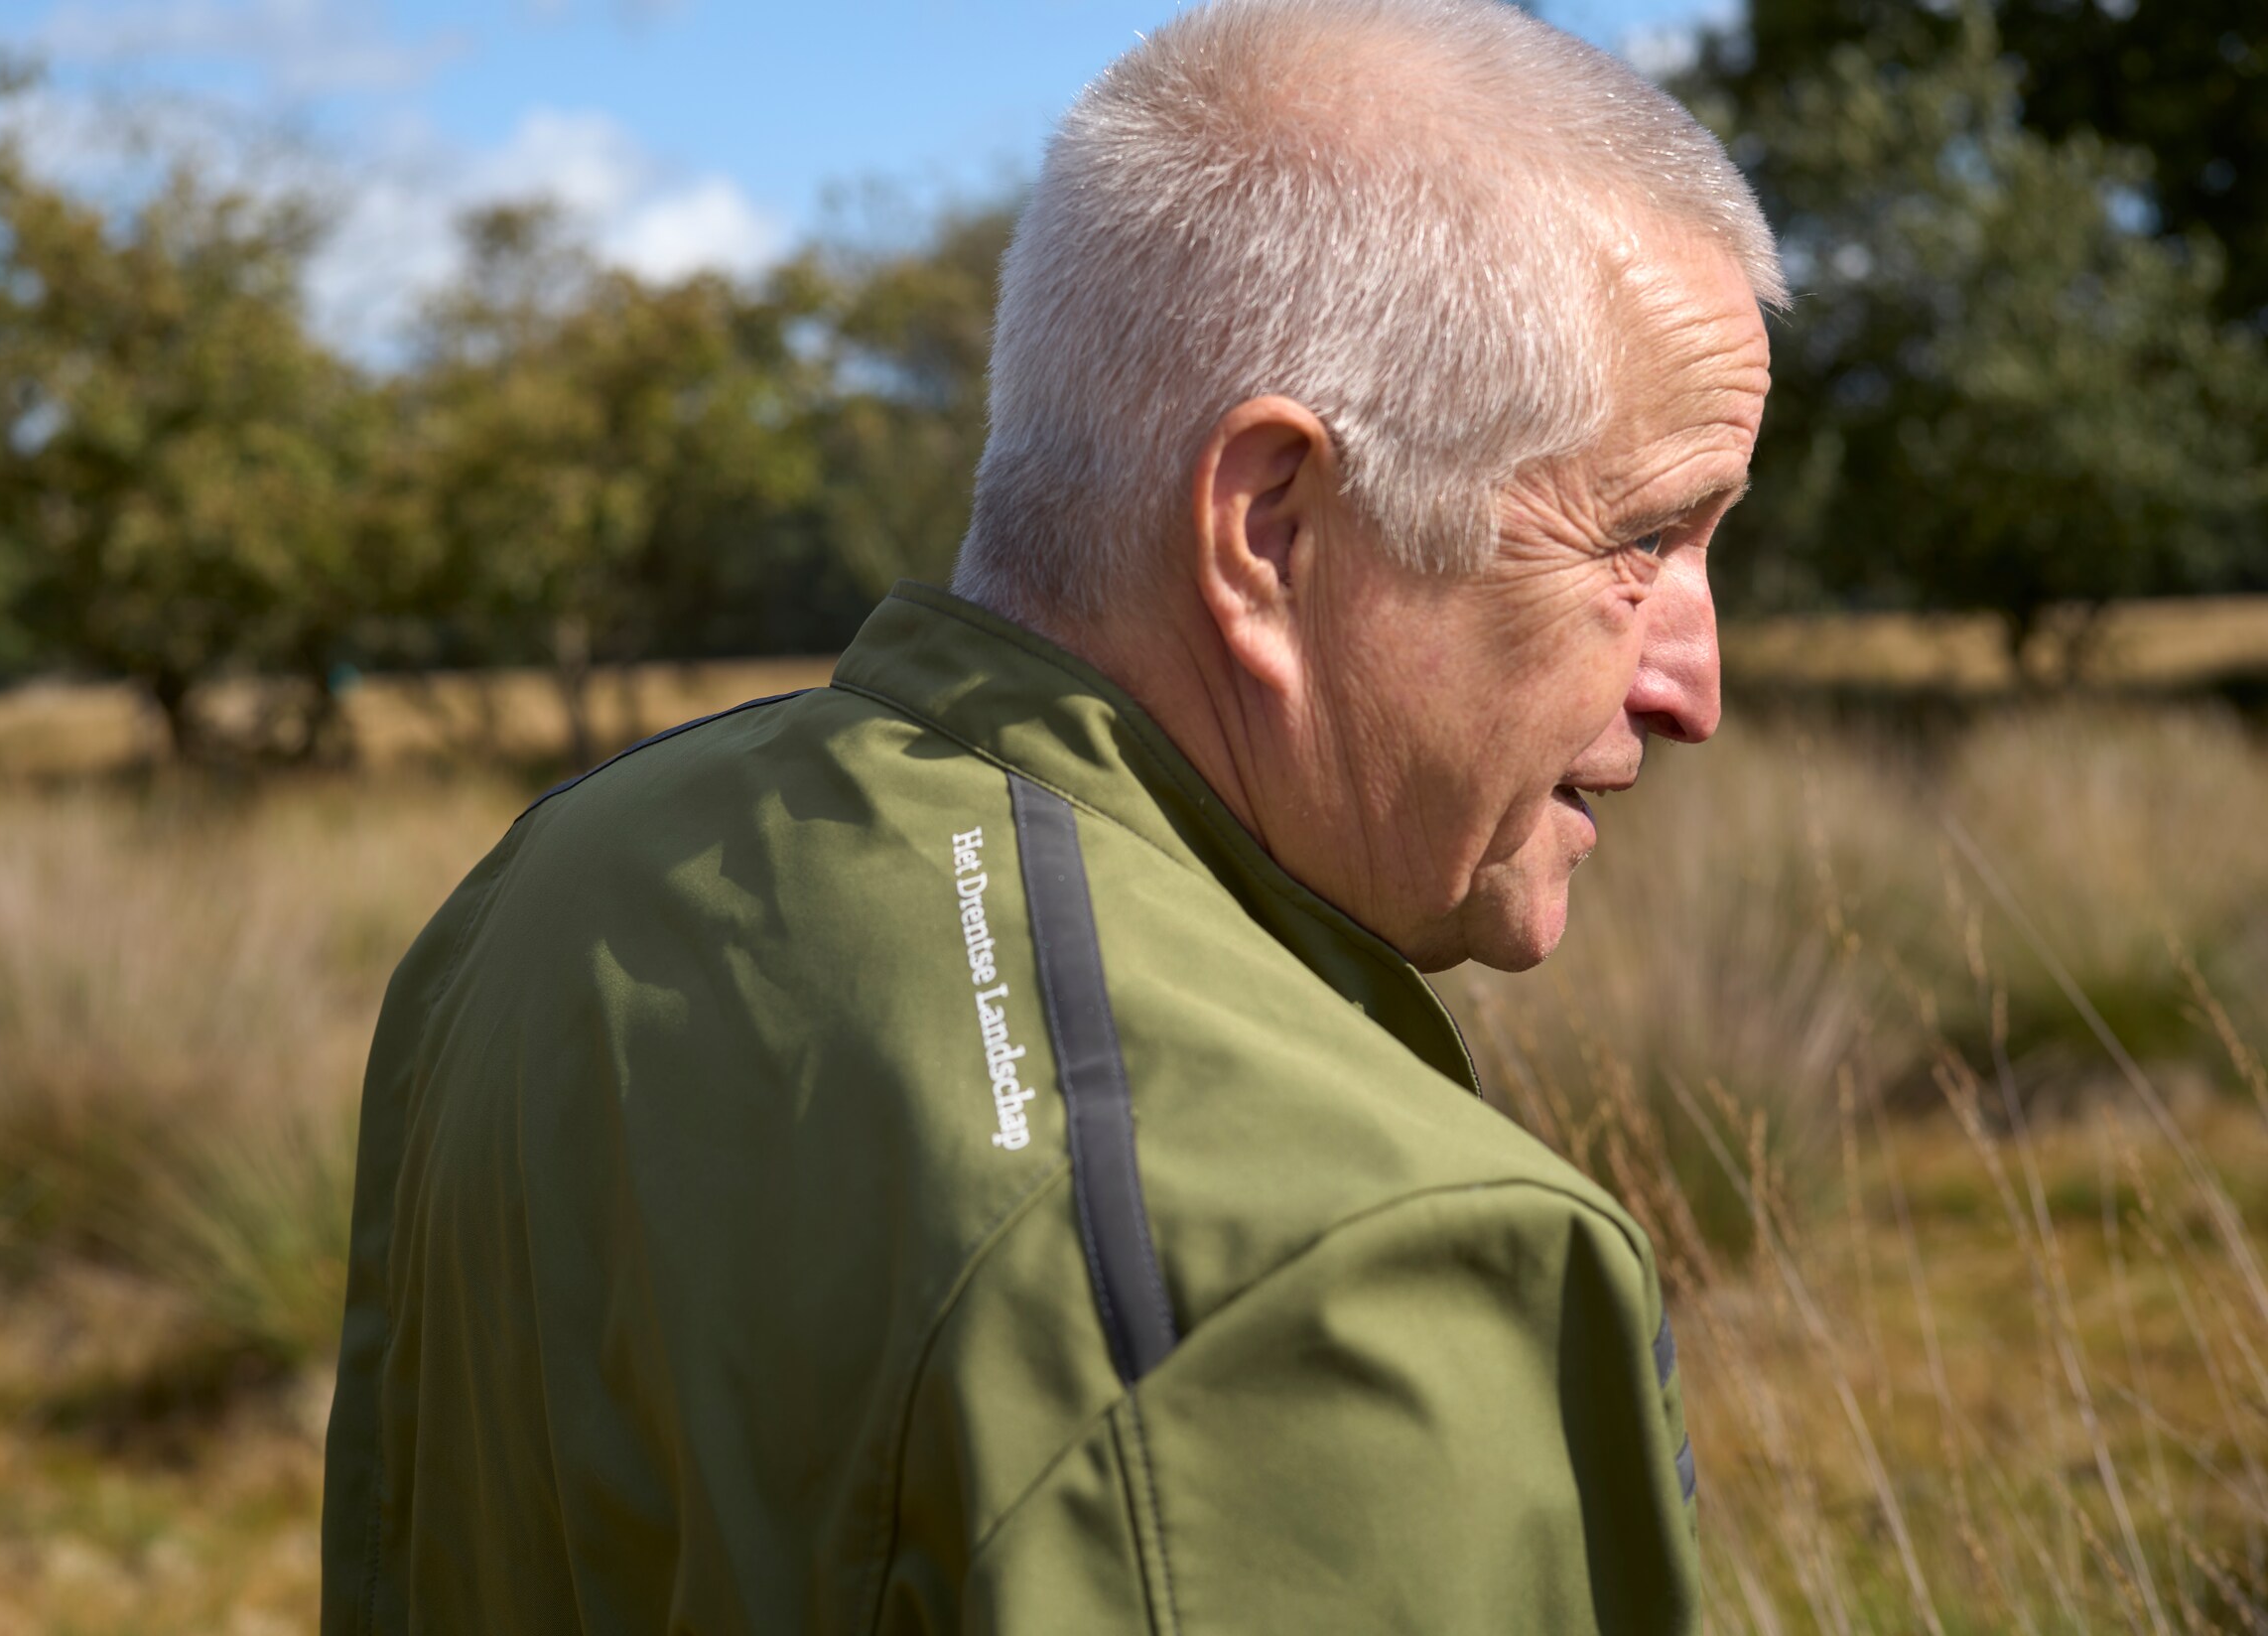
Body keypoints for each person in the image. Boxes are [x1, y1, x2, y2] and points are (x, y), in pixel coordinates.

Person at [320, 0, 1784, 1628]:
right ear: (1270, 531)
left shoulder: (554, 893)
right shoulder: (1339, 1274)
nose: (1692, 683)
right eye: (1643, 539)